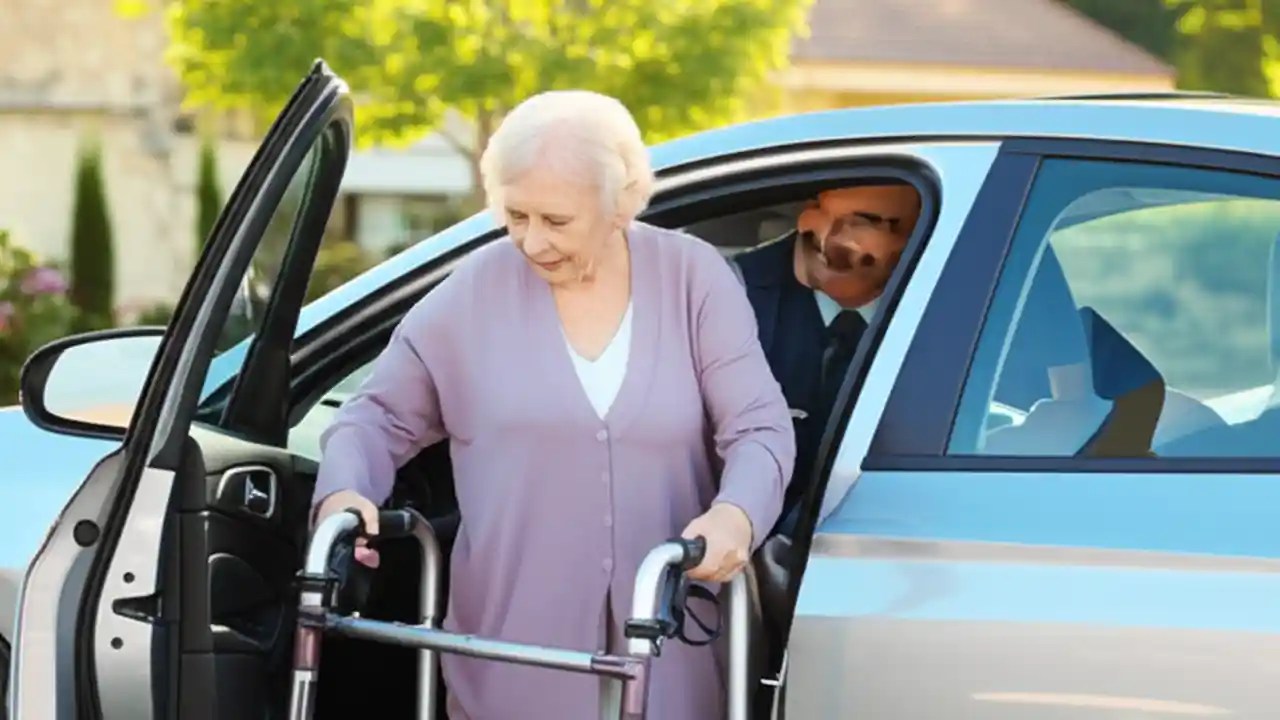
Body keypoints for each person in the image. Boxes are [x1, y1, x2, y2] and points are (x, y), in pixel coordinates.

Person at [310, 90, 795, 720]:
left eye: (556, 221)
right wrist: (347, 493)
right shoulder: (471, 294)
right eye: (516, 216)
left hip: (670, 649)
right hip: (514, 657)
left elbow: (759, 426)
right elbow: (374, 417)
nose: (532, 242)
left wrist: (738, 514)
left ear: (619, 202)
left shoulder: (693, 279)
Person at [730, 183, 920, 683]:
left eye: (882, 225)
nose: (844, 243)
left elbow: (1114, 395)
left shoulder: (953, 300)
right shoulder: (730, 294)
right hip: (737, 591)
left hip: (900, 584)